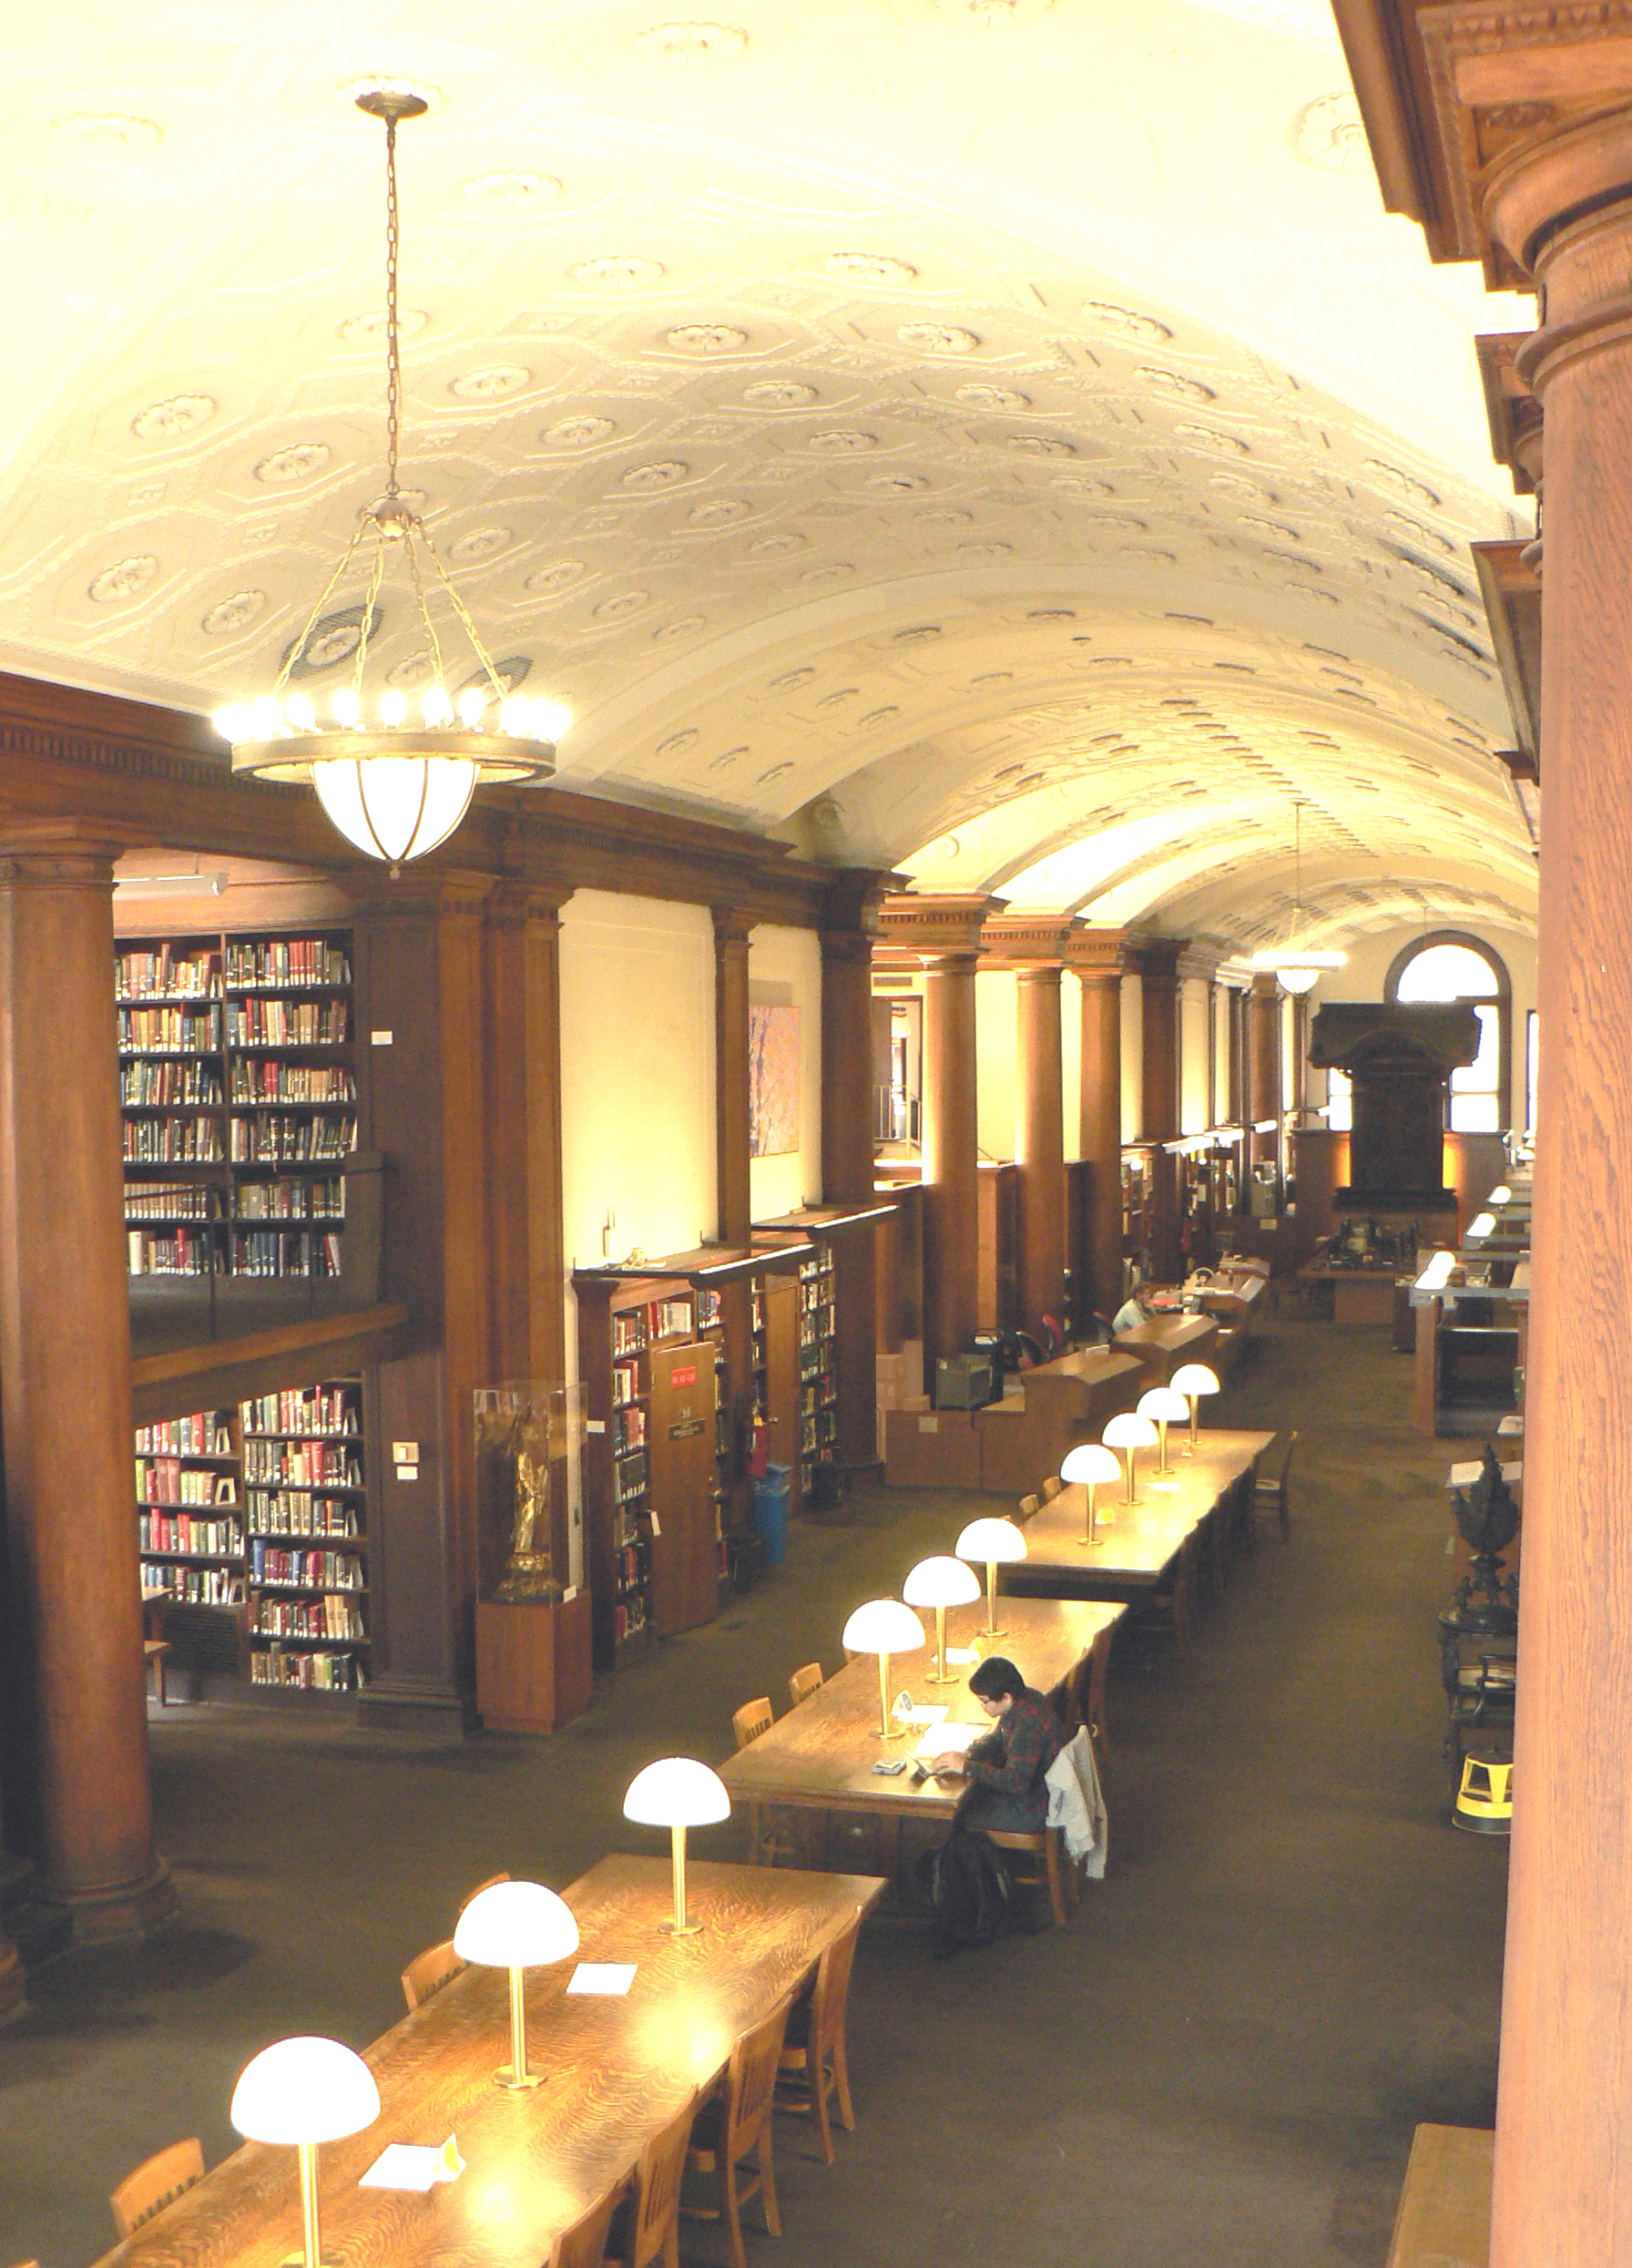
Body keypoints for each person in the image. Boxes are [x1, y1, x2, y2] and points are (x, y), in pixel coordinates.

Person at [931, 1655, 1066, 1834]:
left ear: (1006, 1697)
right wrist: (970, 1753)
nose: (982, 1707)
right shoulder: (1026, 1699)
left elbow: (1016, 1782)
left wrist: (966, 1767)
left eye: (984, 1701)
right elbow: (1000, 1736)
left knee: (960, 1814)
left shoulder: (1027, 1726)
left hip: (1033, 1809)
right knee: (975, 1795)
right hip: (1036, 1794)